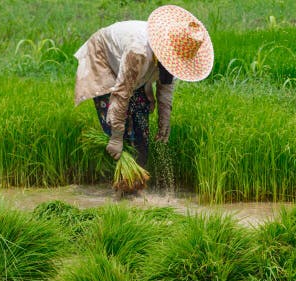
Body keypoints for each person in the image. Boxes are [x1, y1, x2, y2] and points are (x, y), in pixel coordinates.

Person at [74, 5, 213, 172]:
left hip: (133, 69)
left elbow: (166, 86)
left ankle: (139, 175)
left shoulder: (173, 54)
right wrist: (116, 137)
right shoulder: (138, 52)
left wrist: (164, 122)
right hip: (104, 59)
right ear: (165, 52)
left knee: (141, 128)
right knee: (120, 134)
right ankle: (123, 181)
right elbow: (121, 93)